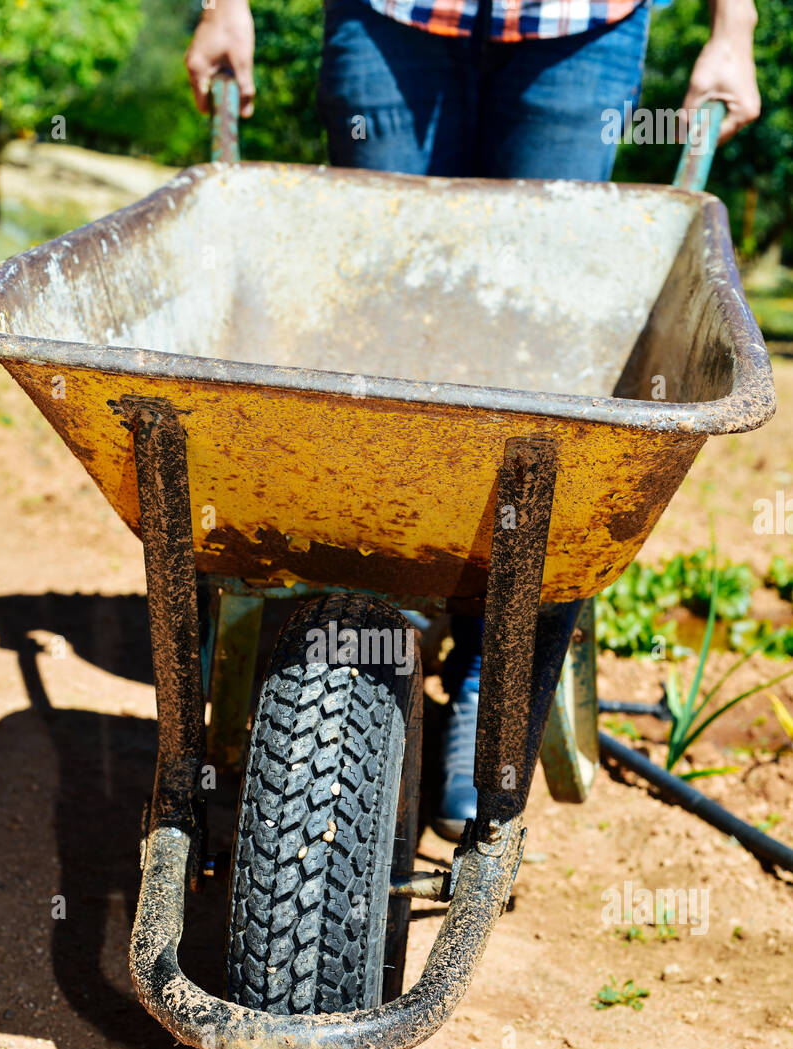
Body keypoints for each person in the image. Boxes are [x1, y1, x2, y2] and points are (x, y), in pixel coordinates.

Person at [185, 0, 761, 838]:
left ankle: (489, 679)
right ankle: (380, 633)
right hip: (389, 16)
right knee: (374, 335)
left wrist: (733, 30)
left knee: (544, 344)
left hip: (582, 24)